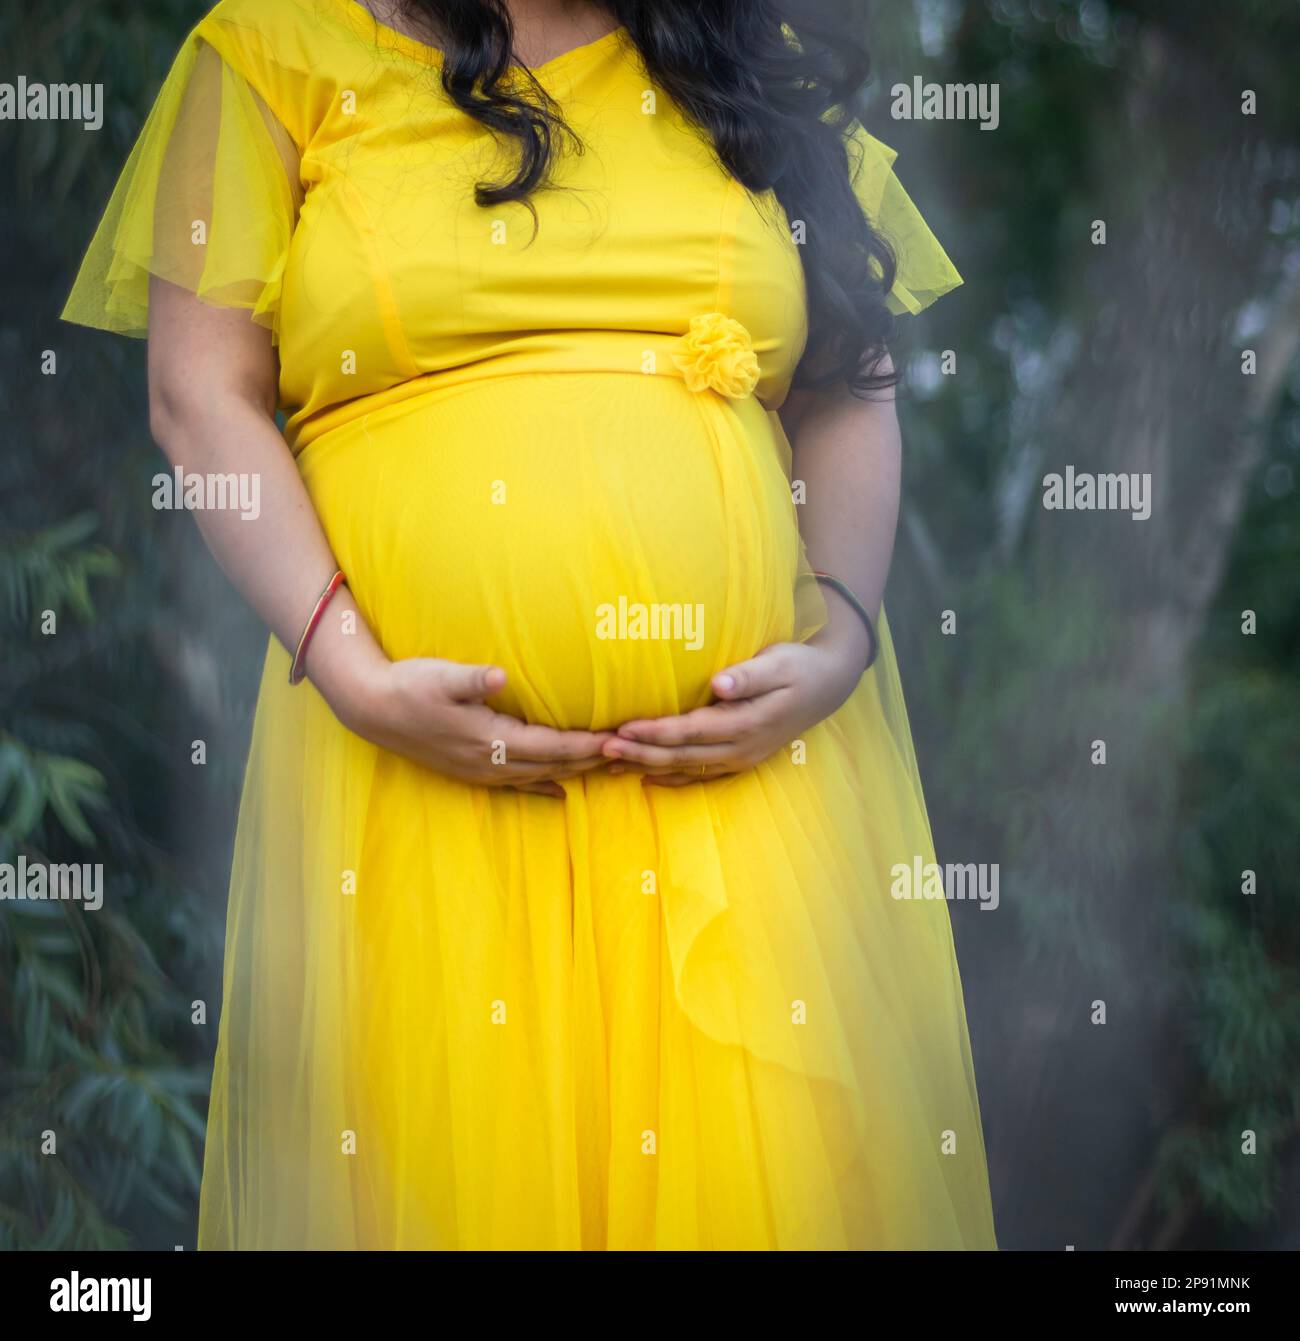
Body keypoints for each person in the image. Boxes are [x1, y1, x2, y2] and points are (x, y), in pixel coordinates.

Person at [62, 0, 997, 1249]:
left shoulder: (747, 71)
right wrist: (343, 661)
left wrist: (838, 631)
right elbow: (197, 393)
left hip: (743, 799)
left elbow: (848, 383)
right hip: (416, 788)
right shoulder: (275, 49)